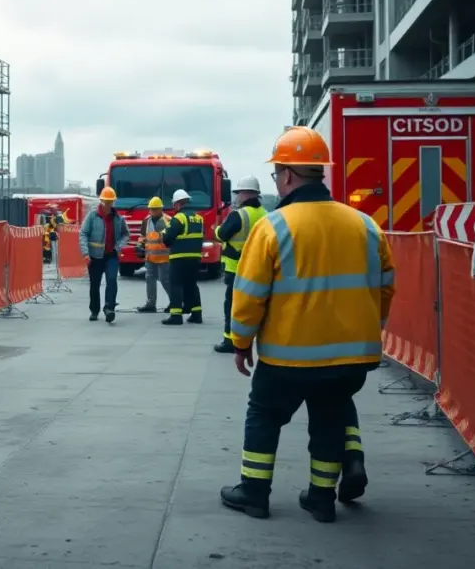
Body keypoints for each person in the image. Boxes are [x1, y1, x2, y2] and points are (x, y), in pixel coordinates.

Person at [219, 126, 394, 523]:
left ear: (287, 175)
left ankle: (254, 492)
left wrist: (240, 342)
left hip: (287, 357)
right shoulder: (366, 226)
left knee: (264, 413)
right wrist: (369, 332)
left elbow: (248, 295)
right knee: (330, 419)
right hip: (351, 356)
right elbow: (384, 289)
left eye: (277, 175)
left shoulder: (274, 227)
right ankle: (320, 498)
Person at [212, 175, 268, 353]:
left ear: (245, 194)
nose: (237, 197)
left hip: (236, 269)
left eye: (238, 193)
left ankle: (230, 341)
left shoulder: (238, 215)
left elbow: (222, 235)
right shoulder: (265, 214)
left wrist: (217, 229)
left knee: (233, 306)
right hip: (260, 269)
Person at [79, 186, 129, 323]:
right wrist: (85, 253)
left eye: (110, 201)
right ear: (101, 201)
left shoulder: (118, 218)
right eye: (106, 201)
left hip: (111, 255)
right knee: (95, 284)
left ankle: (109, 308)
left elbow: (126, 234)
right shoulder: (92, 216)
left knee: (112, 280)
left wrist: (119, 246)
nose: (108, 204)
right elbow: (83, 234)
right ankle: (94, 310)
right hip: (95, 257)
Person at [160, 189, 204, 326]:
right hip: (195, 258)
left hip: (179, 258)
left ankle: (176, 315)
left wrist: (163, 233)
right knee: (192, 285)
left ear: (178, 203)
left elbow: (167, 238)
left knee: (176, 285)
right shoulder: (199, 218)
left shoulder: (179, 218)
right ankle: (196, 314)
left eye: (174, 205)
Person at [136, 196, 171, 313]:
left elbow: (171, 238)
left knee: (165, 280)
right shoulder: (146, 221)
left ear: (161, 209)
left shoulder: (168, 220)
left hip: (164, 257)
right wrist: (139, 246)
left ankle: (175, 302)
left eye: (156, 209)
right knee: (149, 279)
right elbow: (142, 236)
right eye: (152, 209)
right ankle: (151, 304)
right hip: (150, 256)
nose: (153, 211)